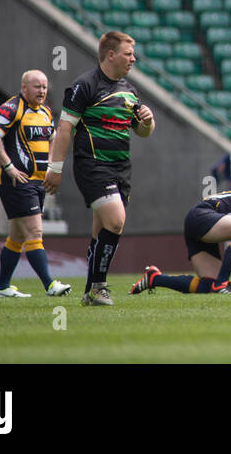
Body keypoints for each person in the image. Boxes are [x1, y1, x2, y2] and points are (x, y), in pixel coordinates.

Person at [44, 31, 153, 307]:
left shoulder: (130, 91)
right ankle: (98, 288)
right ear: (111, 54)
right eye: (129, 54)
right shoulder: (85, 85)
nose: (133, 59)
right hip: (92, 165)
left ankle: (89, 292)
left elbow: (141, 132)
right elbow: (65, 129)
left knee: (101, 231)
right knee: (116, 221)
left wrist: (147, 122)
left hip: (121, 168)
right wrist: (55, 169)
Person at [0, 70, 71, 298]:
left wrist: (50, 166)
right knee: (34, 232)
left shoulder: (46, 112)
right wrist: (8, 166)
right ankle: (50, 285)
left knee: (17, 237)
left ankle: (3, 287)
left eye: (44, 87)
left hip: (37, 183)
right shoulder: (12, 108)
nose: (42, 91)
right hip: (16, 181)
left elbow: (51, 141)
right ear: (24, 88)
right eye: (36, 86)